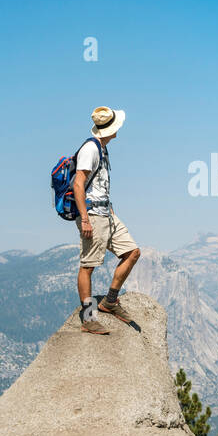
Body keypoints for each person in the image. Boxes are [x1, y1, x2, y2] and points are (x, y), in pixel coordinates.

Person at [72, 106, 141, 334]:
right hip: (92, 215)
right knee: (88, 266)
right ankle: (88, 318)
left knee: (132, 252)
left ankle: (110, 301)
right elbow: (78, 183)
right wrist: (84, 219)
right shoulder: (90, 149)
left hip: (107, 214)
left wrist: (110, 211)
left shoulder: (102, 148)